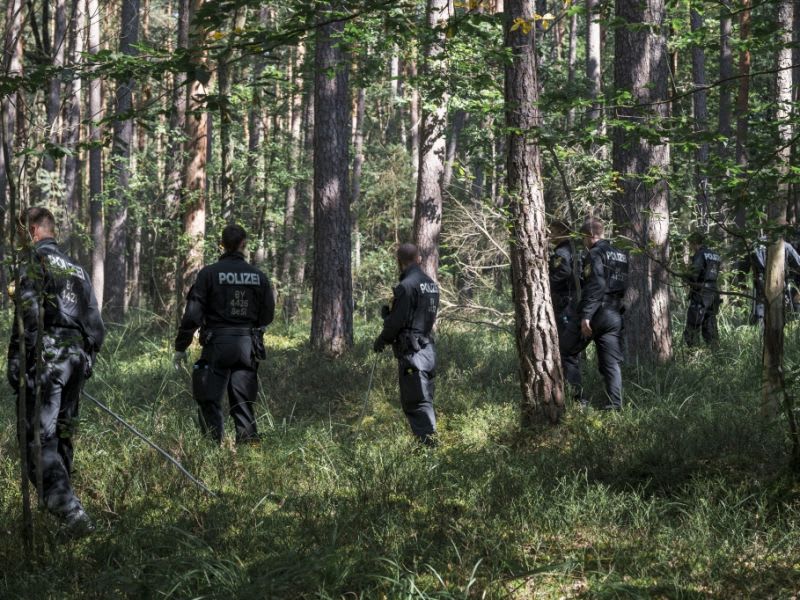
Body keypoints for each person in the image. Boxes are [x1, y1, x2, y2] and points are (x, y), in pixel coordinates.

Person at [7, 207, 105, 536]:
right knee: (61, 435)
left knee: (37, 436)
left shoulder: (34, 262)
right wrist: (86, 357)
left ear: (34, 229)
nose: (19, 239)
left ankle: (70, 511)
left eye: (21, 231)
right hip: (75, 358)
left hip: (47, 358)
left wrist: (22, 362)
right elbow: (95, 322)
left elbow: (30, 316)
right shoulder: (76, 268)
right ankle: (67, 521)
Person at [174, 224, 274, 444]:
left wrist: (181, 346)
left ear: (222, 244)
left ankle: (212, 448)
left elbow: (192, 315)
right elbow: (267, 315)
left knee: (208, 398)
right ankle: (249, 454)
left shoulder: (208, 274)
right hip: (246, 347)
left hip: (216, 345)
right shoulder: (258, 276)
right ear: (243, 245)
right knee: (243, 402)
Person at [373, 243, 440, 445]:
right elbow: (416, 316)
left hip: (412, 353)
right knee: (424, 399)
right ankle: (427, 445)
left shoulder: (406, 286)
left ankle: (428, 449)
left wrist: (382, 338)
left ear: (399, 261)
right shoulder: (431, 284)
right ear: (418, 258)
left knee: (416, 402)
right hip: (427, 351)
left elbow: (397, 322)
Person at [559, 217, 628, 410]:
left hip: (597, 312)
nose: (583, 243)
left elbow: (596, 284)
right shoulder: (621, 254)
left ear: (590, 235)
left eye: (583, 239)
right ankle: (615, 406)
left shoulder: (596, 253)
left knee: (566, 351)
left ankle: (577, 401)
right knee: (610, 363)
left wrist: (586, 315)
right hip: (614, 313)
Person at [548, 220, 583, 404]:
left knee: (567, 352)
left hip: (566, 306)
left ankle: (576, 397)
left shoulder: (562, 252)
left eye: (553, 231)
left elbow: (564, 272)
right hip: (573, 304)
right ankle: (572, 393)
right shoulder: (575, 250)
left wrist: (545, 282)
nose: (551, 235)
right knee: (571, 352)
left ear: (563, 231)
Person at [746, 236, 800, 325]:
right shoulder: (785, 246)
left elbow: (743, 264)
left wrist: (742, 283)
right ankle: (778, 329)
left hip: (761, 282)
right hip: (779, 282)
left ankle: (760, 330)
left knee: (761, 307)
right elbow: (798, 264)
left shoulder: (755, 245)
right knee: (779, 307)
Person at [683, 232, 721, 347]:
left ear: (694, 243)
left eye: (690, 244)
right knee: (710, 325)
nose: (690, 246)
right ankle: (716, 355)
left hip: (701, 293)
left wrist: (685, 276)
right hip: (714, 293)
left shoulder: (700, 254)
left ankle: (693, 354)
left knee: (693, 326)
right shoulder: (715, 254)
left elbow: (694, 274)